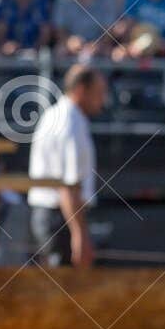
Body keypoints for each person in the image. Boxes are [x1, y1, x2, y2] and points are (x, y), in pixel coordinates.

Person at [26, 65, 107, 268]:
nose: (102, 100)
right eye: (98, 93)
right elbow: (68, 186)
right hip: (59, 220)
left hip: (50, 217)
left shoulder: (55, 115)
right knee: (65, 291)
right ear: (81, 90)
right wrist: (79, 234)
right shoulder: (71, 122)